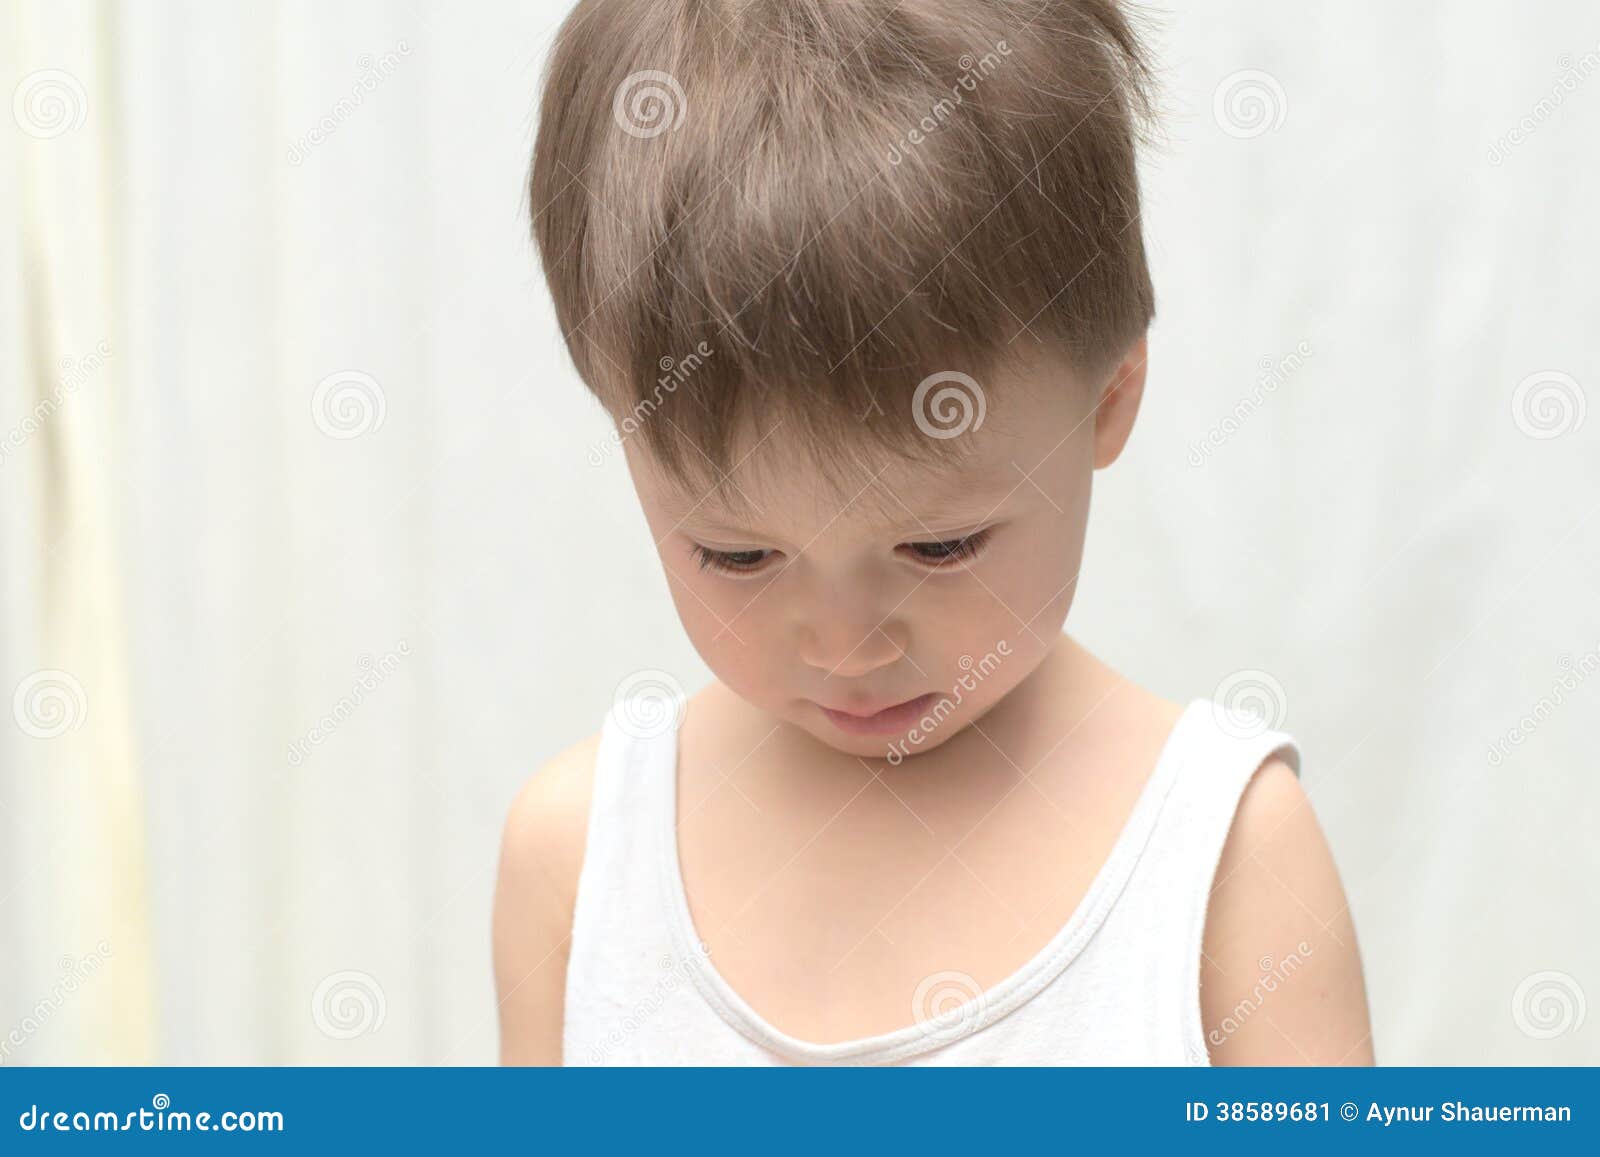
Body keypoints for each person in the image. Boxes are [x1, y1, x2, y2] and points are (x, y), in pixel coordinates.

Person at [494, 0, 1373, 1066]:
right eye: (737, 554)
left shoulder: (1228, 858)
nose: (847, 646)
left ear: (1107, 399)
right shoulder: (579, 858)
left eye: (941, 546)